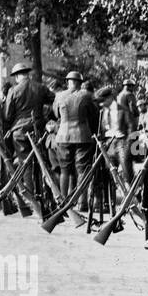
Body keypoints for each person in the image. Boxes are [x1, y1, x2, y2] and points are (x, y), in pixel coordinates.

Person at [2, 62, 44, 211]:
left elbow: (7, 115)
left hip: (19, 132)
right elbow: (54, 101)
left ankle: (30, 196)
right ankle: (41, 195)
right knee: (40, 163)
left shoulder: (13, 91)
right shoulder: (39, 87)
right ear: (27, 74)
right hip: (37, 130)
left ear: (18, 76)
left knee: (24, 163)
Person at [54, 71, 96, 204]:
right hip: (82, 135)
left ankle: (62, 201)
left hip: (63, 135)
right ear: (80, 82)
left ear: (68, 82)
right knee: (82, 170)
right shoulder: (87, 96)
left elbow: (56, 114)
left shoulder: (59, 96)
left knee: (64, 170)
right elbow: (93, 114)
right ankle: (82, 202)